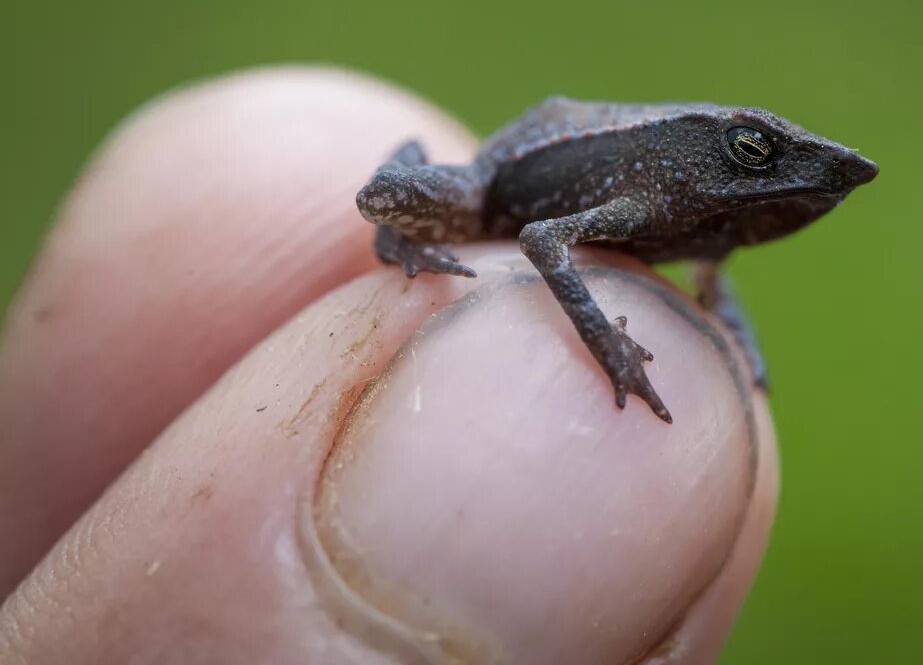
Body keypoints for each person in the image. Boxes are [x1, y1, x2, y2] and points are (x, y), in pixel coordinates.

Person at [0, 67, 778, 664]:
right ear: (701, 147)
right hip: (494, 190)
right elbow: (544, 239)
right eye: (750, 154)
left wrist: (729, 316)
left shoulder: (697, 222)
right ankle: (401, 236)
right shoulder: (650, 179)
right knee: (392, 191)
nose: (759, 170)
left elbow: (711, 258)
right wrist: (605, 342)